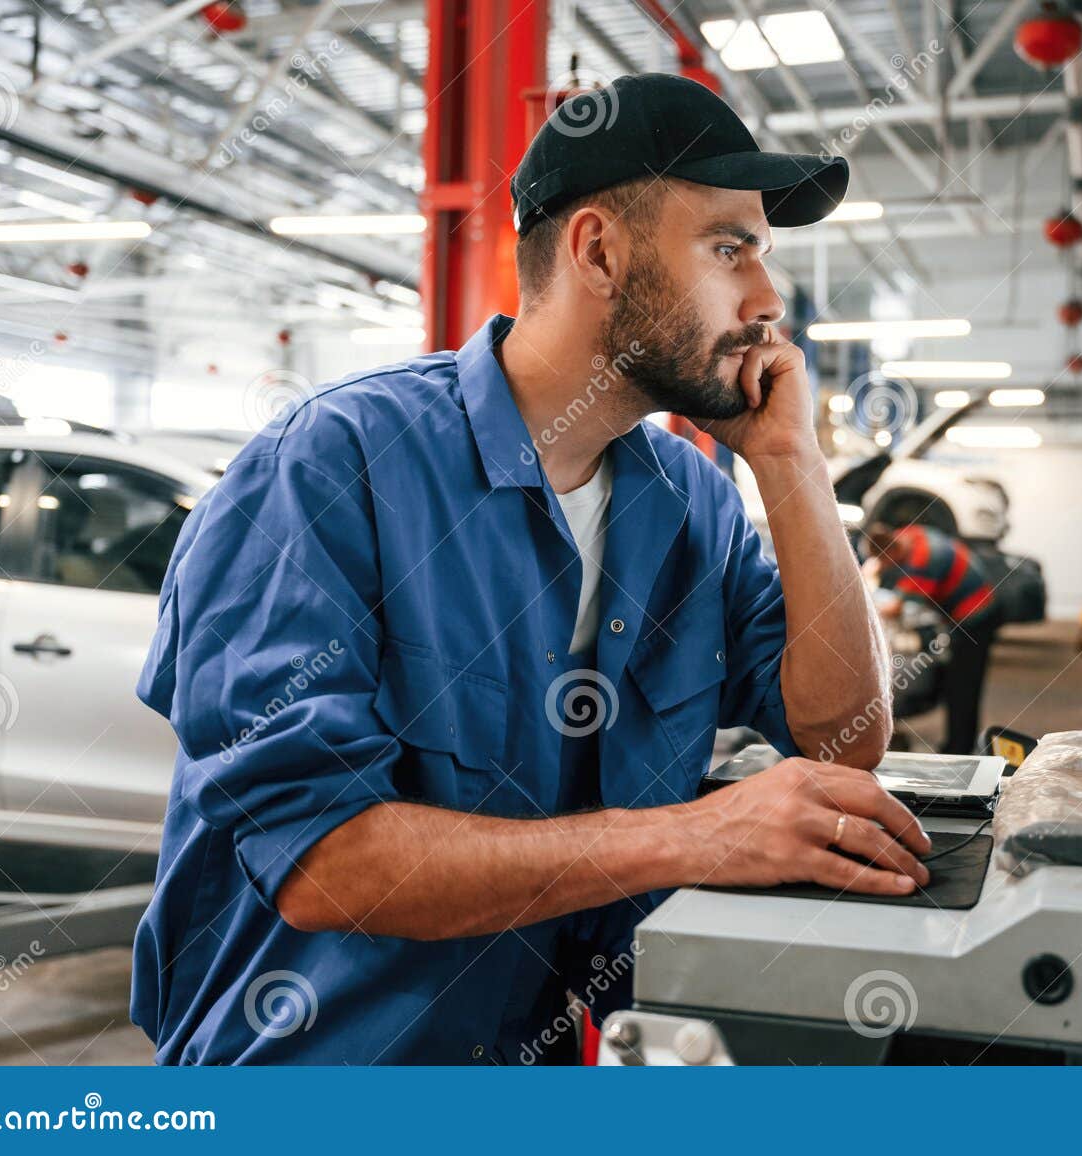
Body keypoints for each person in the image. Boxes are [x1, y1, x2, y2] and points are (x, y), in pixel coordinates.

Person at [131, 73, 931, 1065]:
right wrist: (699, 833)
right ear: (598, 250)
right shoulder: (335, 465)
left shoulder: (691, 502)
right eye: (729, 249)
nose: (767, 299)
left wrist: (793, 463)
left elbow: (841, 737)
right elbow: (325, 861)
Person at [864, 520, 1003, 755]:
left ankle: (959, 751)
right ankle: (955, 746)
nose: (884, 568)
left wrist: (863, 605)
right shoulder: (906, 534)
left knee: (963, 687)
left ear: (893, 551)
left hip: (975, 617)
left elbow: (897, 608)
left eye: (885, 562)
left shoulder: (925, 561)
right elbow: (874, 564)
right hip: (963, 610)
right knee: (956, 683)